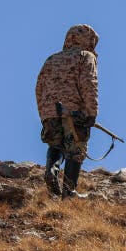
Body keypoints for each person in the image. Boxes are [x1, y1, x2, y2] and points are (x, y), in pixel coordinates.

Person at [35, 24, 99, 198]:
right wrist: (91, 113)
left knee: (56, 145)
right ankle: (68, 192)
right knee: (76, 150)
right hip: (74, 113)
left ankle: (52, 170)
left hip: (50, 113)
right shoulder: (85, 56)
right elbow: (89, 84)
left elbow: (39, 88)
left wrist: (44, 113)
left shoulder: (51, 59)